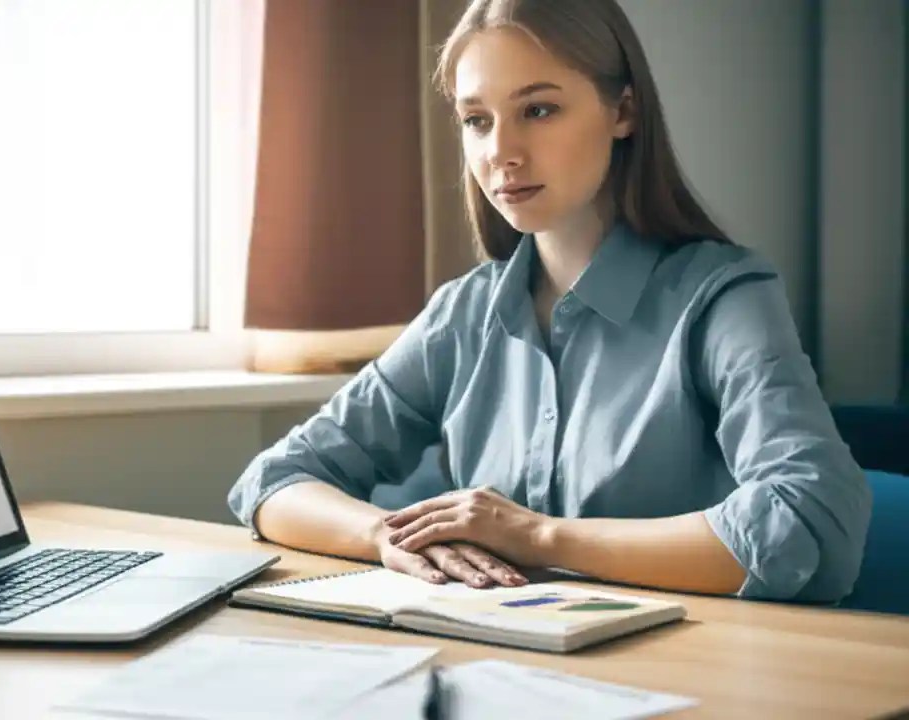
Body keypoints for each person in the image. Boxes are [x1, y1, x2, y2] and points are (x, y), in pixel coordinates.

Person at [227, 0, 871, 602]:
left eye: (537, 110)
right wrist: (391, 540)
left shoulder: (723, 298)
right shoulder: (464, 314)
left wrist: (537, 536)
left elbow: (811, 520)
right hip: (495, 664)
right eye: (477, 120)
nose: (500, 152)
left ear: (623, 111)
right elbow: (274, 481)